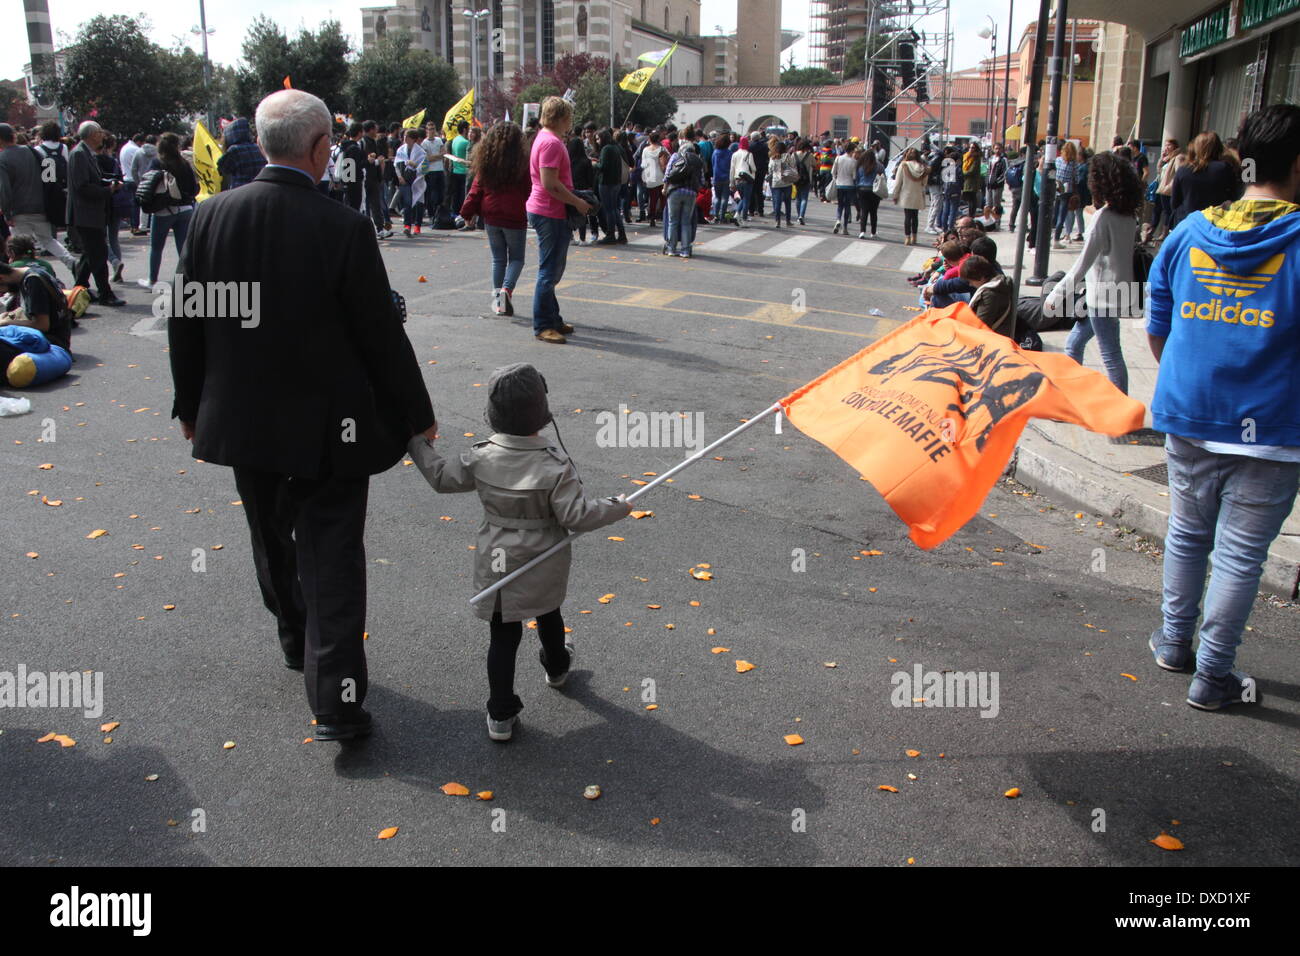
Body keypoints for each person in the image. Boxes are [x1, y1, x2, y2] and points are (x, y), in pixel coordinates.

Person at [168, 89, 436, 741]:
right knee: (333, 556)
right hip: (330, 425)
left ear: (262, 143)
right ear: (319, 148)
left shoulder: (210, 217)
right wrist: (415, 415)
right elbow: (379, 335)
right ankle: (336, 700)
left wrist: (189, 402)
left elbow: (187, 318)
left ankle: (294, 637)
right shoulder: (341, 225)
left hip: (242, 418)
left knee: (269, 535)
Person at [1144, 104, 1300, 711]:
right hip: (1273, 429)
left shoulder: (1190, 232)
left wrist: (1191, 378)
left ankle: (1173, 643)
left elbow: (1159, 324)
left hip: (1190, 413)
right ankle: (1212, 674)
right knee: (1239, 553)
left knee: (1186, 535)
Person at [406, 363, 630, 742]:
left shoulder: (481, 457)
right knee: (548, 613)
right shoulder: (554, 465)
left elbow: (442, 478)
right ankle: (557, 667)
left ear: (492, 414)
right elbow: (577, 515)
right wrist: (616, 505)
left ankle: (500, 713)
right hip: (544, 559)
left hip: (497, 560)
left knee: (504, 634)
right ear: (542, 413)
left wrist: (417, 443)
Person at [1045, 151, 1142, 395]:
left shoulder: (1103, 218)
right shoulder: (1128, 216)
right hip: (1118, 291)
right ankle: (1068, 397)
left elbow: (1082, 263)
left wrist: (1056, 295)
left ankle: (1118, 409)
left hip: (1103, 296)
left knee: (1109, 354)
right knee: (1075, 343)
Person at [527, 96, 592, 345]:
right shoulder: (552, 143)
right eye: (569, 117)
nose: (570, 122)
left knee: (552, 269)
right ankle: (543, 325)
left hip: (548, 209)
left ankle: (552, 318)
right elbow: (550, 184)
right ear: (562, 118)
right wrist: (577, 202)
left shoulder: (545, 138)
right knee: (549, 271)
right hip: (549, 211)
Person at [462, 121, 531, 315]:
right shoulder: (522, 162)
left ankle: (497, 301)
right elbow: (528, 189)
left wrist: (468, 212)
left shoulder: (486, 159)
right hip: (514, 214)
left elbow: (476, 189)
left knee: (498, 259)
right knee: (516, 258)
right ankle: (506, 290)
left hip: (491, 214)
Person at [0, 122, 78, 284]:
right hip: (41, 206)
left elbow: (4, 190)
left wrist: (7, 213)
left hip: (19, 209)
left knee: (20, 248)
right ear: (14, 136)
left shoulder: (3, 159)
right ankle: (72, 262)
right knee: (48, 240)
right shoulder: (34, 152)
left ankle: (26, 281)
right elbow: (50, 175)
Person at [66, 122, 125, 307]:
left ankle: (79, 289)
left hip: (92, 213)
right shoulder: (79, 154)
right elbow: (82, 186)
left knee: (90, 254)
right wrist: (108, 190)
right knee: (98, 254)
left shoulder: (87, 153)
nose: (102, 136)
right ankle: (105, 293)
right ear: (92, 135)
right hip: (86, 213)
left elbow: (93, 180)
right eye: (99, 132)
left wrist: (108, 183)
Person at [134, 132, 198, 290]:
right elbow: (194, 187)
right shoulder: (184, 163)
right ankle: (186, 281)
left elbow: (147, 183)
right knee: (183, 249)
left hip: (163, 210)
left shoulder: (157, 163)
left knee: (156, 247)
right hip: (184, 209)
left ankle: (152, 280)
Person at [1170, 131, 1240, 229]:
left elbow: (1174, 202)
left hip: (1186, 222)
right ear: (1218, 147)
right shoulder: (1224, 168)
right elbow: (1234, 195)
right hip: (1213, 224)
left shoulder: (1183, 169)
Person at [664, 140, 704, 256]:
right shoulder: (698, 161)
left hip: (675, 191)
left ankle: (671, 248)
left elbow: (667, 175)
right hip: (691, 192)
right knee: (686, 222)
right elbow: (701, 181)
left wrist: (665, 188)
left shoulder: (675, 157)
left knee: (673, 221)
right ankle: (685, 250)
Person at [961, 254, 1015, 336]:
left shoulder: (989, 294)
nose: (970, 285)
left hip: (992, 339)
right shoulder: (998, 283)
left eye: (971, 281)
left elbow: (981, 325)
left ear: (981, 278)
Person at [1145, 139, 1182, 244]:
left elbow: (1178, 174)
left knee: (1167, 212)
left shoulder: (1177, 158)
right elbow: (1160, 172)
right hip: (1161, 189)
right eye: (1165, 145)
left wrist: (1169, 187)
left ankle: (1164, 233)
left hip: (1167, 191)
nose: (1166, 147)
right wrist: (1161, 160)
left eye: (1169, 145)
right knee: (1156, 211)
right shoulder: (1167, 159)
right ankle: (1150, 233)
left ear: (1175, 146)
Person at [595, 127, 628, 245]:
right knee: (614, 209)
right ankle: (621, 234)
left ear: (603, 138)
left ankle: (610, 234)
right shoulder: (615, 148)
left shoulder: (606, 149)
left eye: (598, 139)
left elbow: (602, 166)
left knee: (609, 210)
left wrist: (594, 164)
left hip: (606, 182)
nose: (597, 141)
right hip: (616, 182)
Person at [891, 147, 929, 245]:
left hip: (906, 194)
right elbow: (924, 183)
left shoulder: (903, 165)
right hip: (917, 194)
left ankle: (907, 237)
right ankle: (914, 237)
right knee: (915, 216)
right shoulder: (922, 167)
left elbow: (898, 182)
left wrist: (895, 195)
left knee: (907, 216)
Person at [394, 128, 427, 236]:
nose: (405, 139)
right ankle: (407, 225)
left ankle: (417, 225)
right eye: (404, 136)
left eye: (407, 137)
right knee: (407, 202)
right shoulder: (401, 150)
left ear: (413, 139)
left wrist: (415, 165)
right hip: (405, 179)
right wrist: (399, 177)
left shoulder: (421, 151)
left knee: (418, 203)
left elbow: (425, 167)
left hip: (417, 179)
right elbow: (396, 164)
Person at [567, 135, 599, 245]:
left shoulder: (568, 160)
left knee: (569, 213)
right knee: (582, 214)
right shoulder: (586, 161)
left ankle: (570, 237)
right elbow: (590, 178)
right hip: (583, 189)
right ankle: (582, 239)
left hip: (570, 189)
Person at [216, 119, 265, 190]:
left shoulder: (234, 150)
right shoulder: (257, 147)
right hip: (259, 189)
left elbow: (221, 169)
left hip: (240, 191)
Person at [1052, 140, 1081, 248]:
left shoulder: (1058, 160)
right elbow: (1077, 179)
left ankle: (1050, 236)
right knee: (1062, 216)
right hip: (1067, 191)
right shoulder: (1074, 164)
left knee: (1054, 214)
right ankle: (1056, 240)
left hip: (1056, 189)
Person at [766, 139, 796, 229]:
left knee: (777, 202)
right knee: (787, 202)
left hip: (776, 182)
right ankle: (788, 221)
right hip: (786, 182)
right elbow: (793, 166)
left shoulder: (773, 157)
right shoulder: (787, 156)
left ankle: (777, 221)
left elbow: (770, 169)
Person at [447, 120, 472, 227]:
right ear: (465, 129)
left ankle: (455, 213)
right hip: (463, 171)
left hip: (455, 170)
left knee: (456, 196)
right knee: (463, 196)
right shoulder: (466, 142)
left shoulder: (455, 140)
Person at [639, 130, 667, 227]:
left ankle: (652, 218)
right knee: (663, 198)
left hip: (650, 177)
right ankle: (664, 217)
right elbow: (666, 162)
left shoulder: (645, 150)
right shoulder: (662, 149)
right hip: (661, 176)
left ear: (649, 139)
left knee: (652, 199)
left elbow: (643, 164)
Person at [853, 147, 881, 239]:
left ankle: (862, 231)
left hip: (862, 189)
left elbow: (856, 179)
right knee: (873, 212)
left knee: (863, 211)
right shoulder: (878, 166)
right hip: (874, 190)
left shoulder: (861, 166)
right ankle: (873, 232)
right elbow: (884, 177)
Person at [729, 135, 756, 227]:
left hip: (737, 179)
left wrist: (731, 182)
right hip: (747, 179)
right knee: (746, 199)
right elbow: (753, 167)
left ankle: (737, 214)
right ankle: (744, 219)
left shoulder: (734, 154)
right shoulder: (749, 154)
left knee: (742, 198)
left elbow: (732, 169)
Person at [830, 144, 857, 235]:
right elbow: (854, 176)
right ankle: (845, 227)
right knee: (847, 206)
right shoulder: (853, 161)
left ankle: (838, 219)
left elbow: (833, 171)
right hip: (849, 185)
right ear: (852, 150)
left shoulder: (838, 158)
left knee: (840, 205)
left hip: (839, 184)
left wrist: (835, 178)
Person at [711, 132, 734, 222]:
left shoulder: (715, 152)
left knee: (717, 197)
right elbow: (731, 166)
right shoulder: (729, 153)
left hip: (717, 177)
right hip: (726, 177)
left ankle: (716, 215)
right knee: (725, 198)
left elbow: (712, 164)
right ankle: (722, 216)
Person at [792, 138, 815, 225]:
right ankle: (802, 215)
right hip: (806, 178)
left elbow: (791, 165)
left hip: (796, 178)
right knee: (804, 198)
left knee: (798, 198)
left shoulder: (794, 155)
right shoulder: (810, 155)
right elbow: (814, 164)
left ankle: (798, 215)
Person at [961, 142, 983, 219]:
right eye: (970, 147)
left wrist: (962, 173)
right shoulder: (966, 156)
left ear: (976, 149)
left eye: (973, 147)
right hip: (966, 181)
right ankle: (970, 215)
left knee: (972, 199)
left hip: (972, 182)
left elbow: (971, 171)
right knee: (969, 199)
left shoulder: (976, 158)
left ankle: (971, 216)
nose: (971, 149)